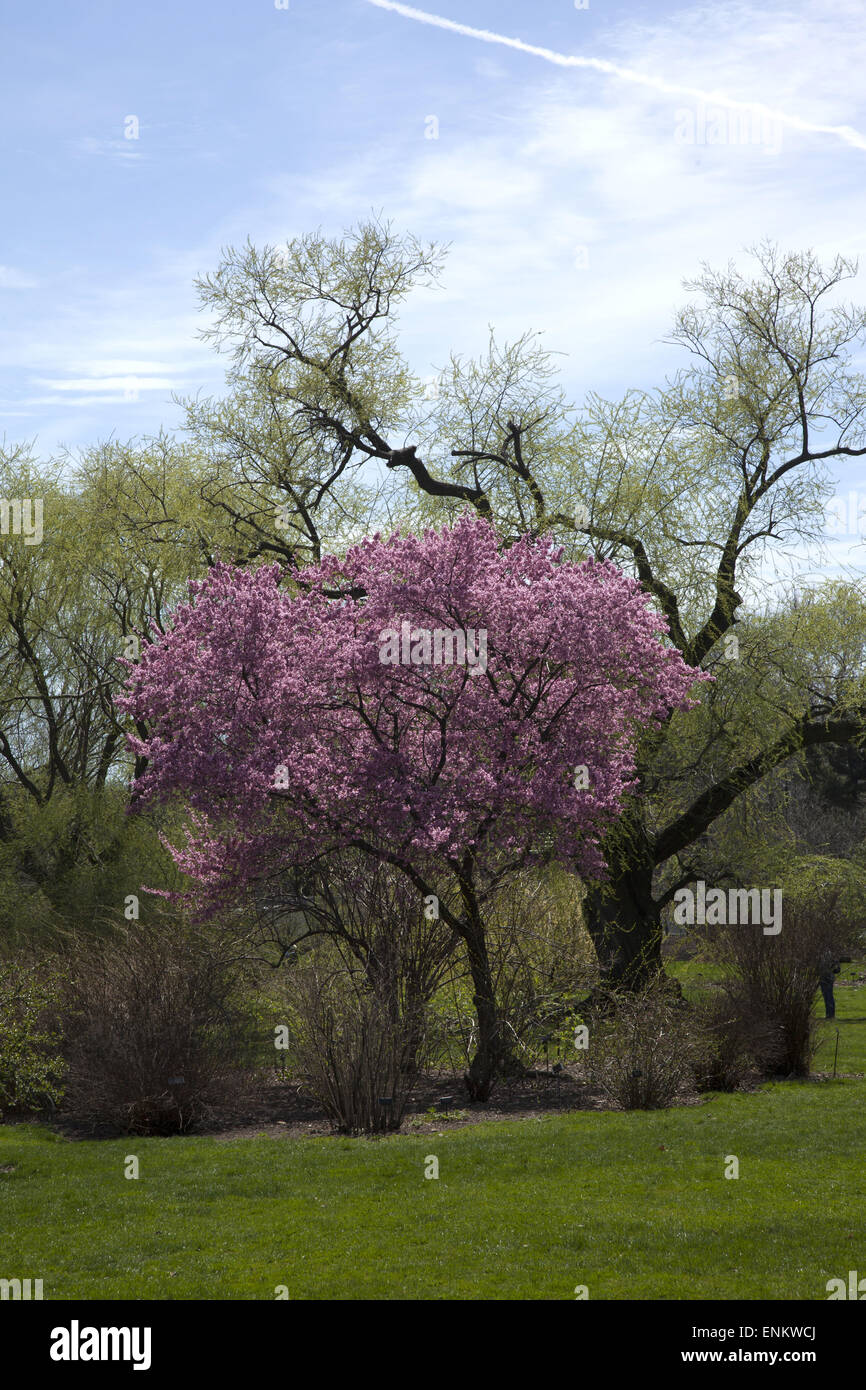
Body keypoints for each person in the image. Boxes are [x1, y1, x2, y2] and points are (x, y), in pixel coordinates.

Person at [817, 949, 842, 1019]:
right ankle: (829, 1014)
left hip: (827, 977)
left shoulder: (827, 954)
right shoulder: (827, 954)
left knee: (828, 997)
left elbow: (837, 969)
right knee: (827, 997)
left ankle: (830, 1015)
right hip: (825, 977)